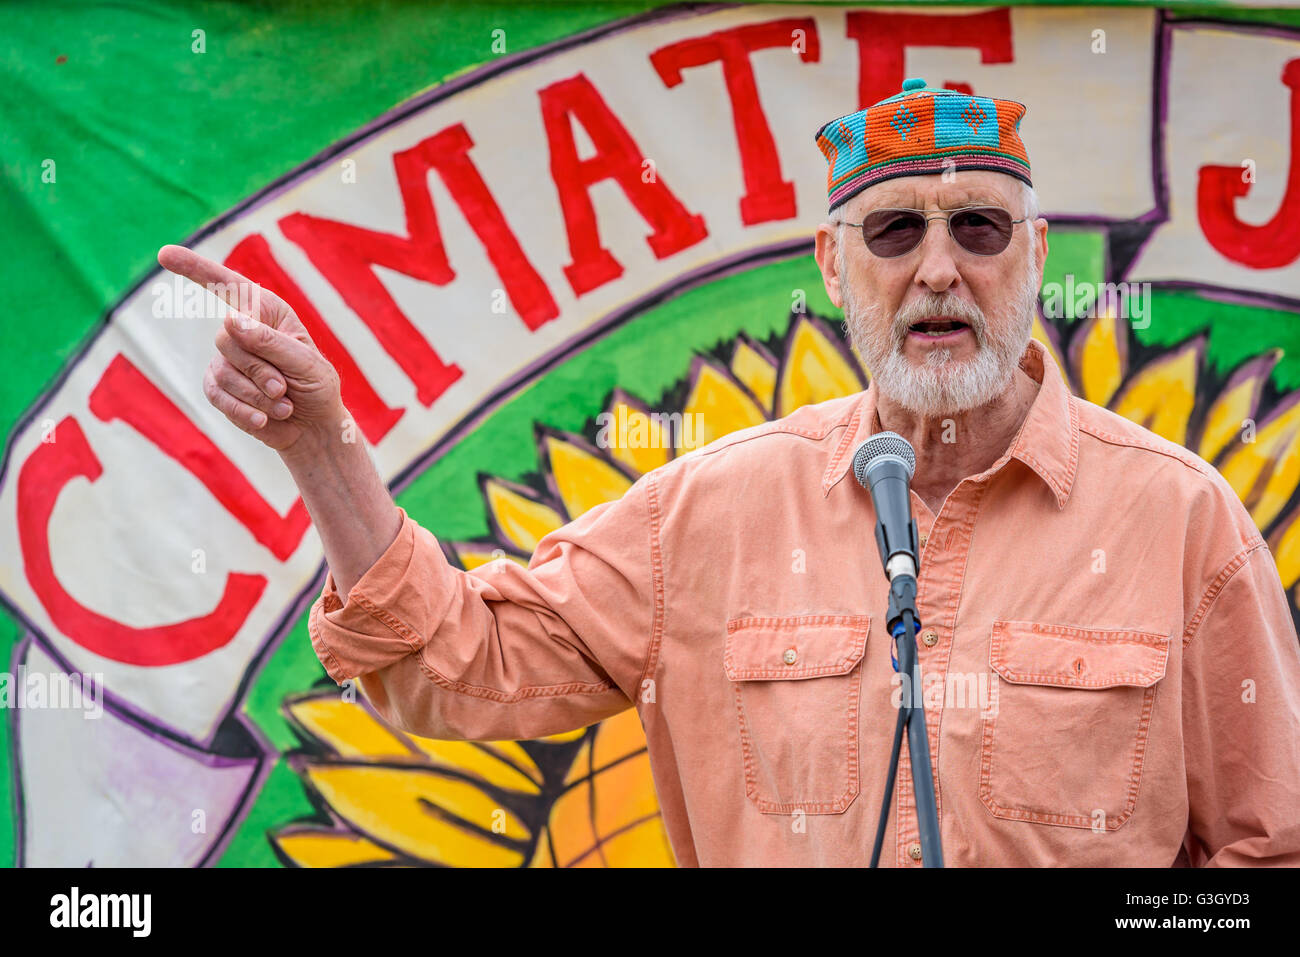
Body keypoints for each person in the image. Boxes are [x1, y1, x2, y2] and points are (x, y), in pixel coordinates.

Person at [159, 78, 1300, 867]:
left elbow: (1270, 845)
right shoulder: (710, 512)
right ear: (831, 262)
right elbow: (456, 664)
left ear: (1035, 254)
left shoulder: (1178, 521)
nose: (940, 269)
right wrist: (322, 444)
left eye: (981, 229)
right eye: (894, 232)